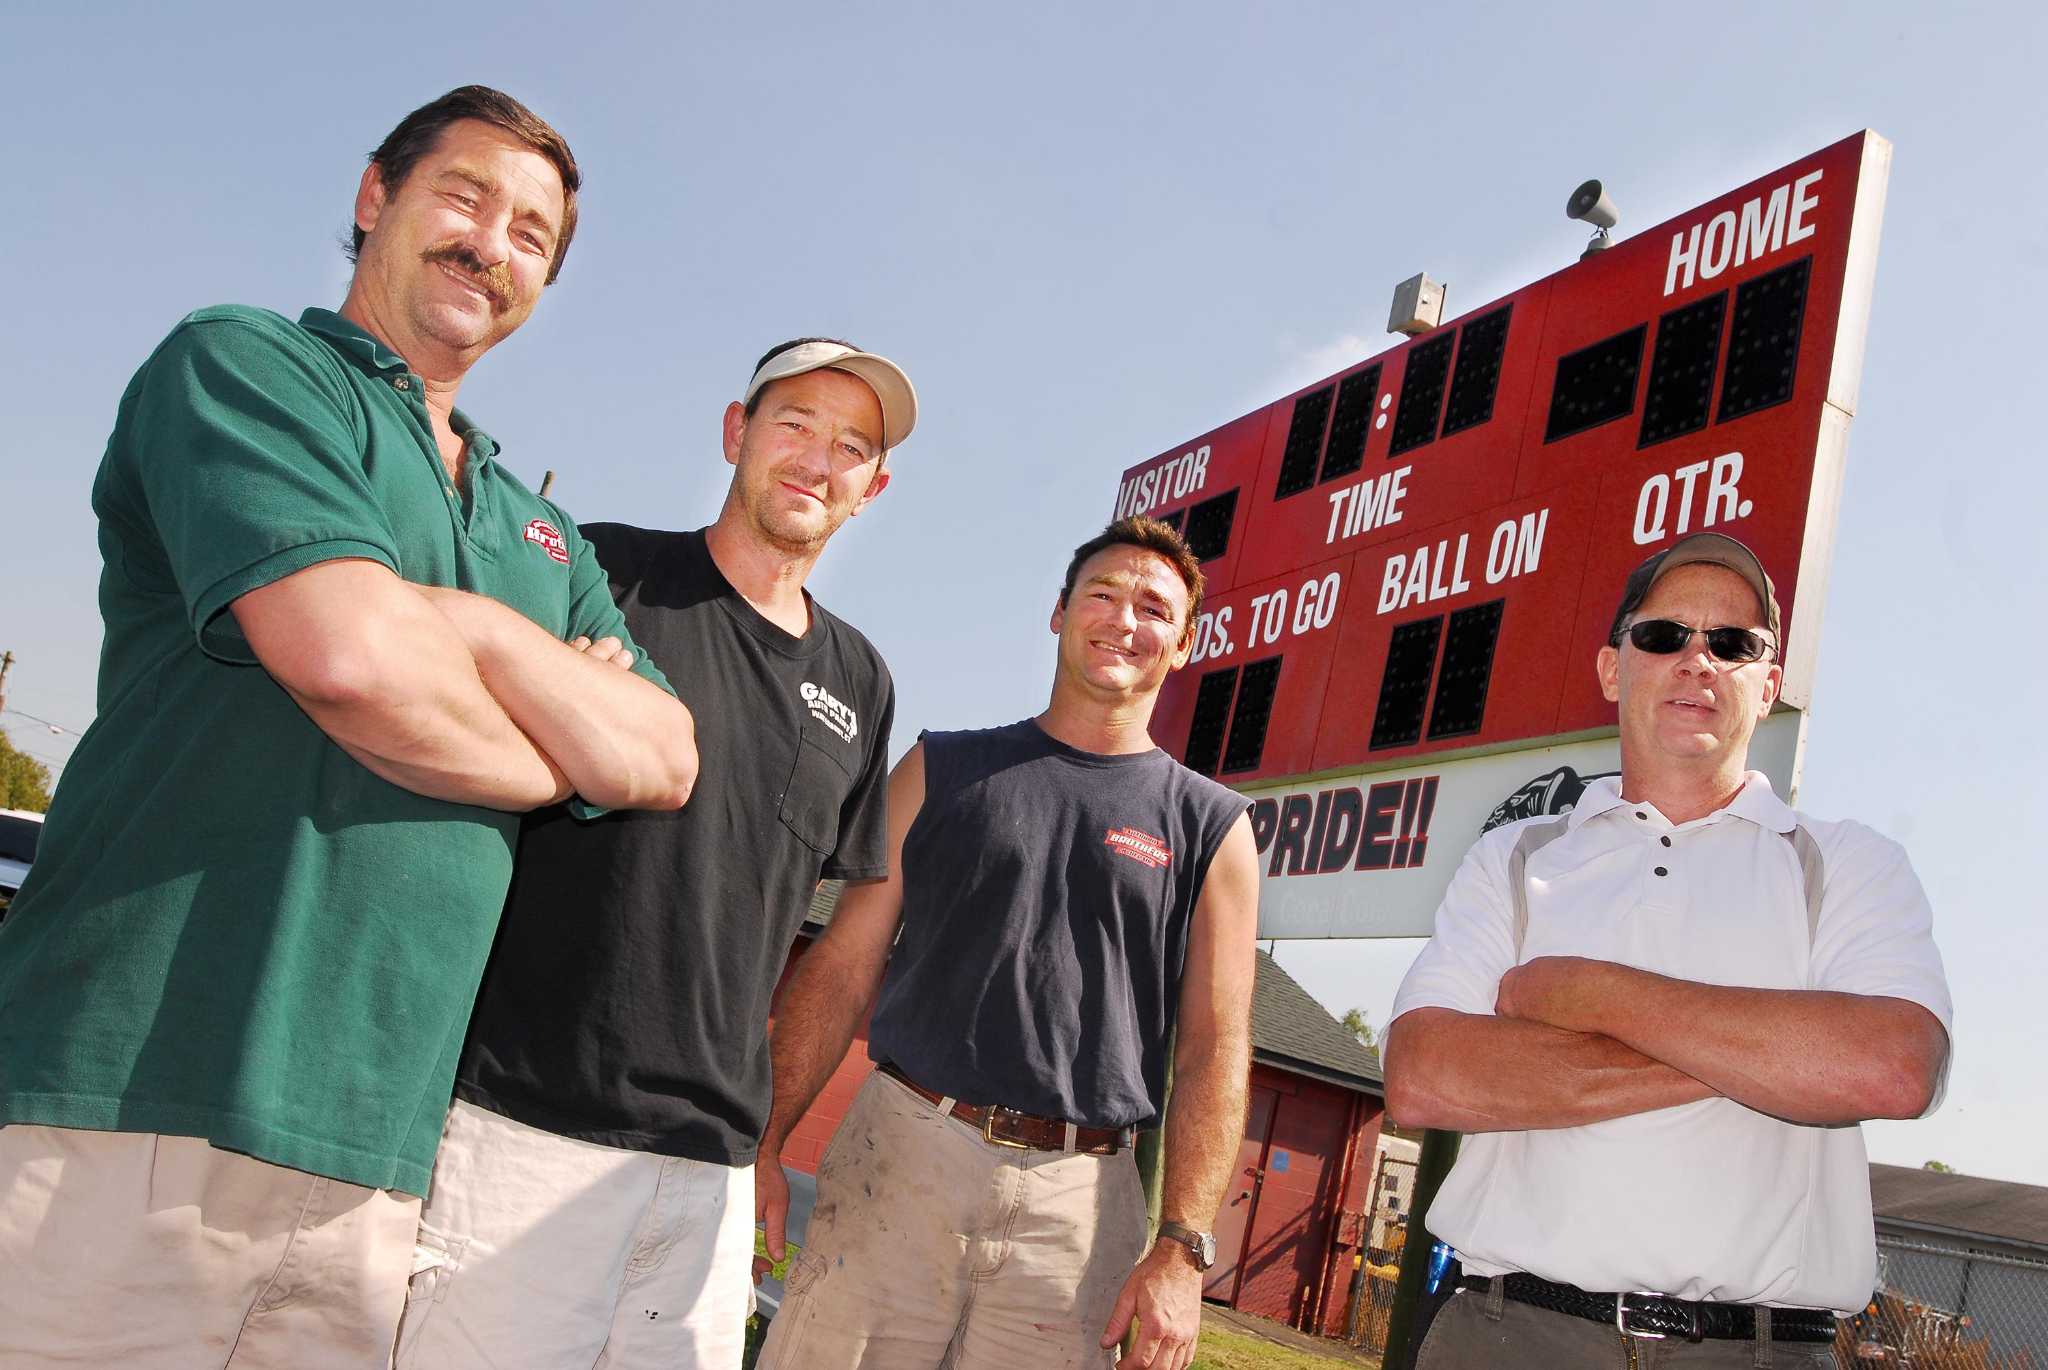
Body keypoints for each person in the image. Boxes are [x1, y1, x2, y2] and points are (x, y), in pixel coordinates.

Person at [0, 86, 699, 1368]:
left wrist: (481, 632)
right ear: (374, 196)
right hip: (143, 1101)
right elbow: (349, 658)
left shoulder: (538, 530)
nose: (494, 243)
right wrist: (555, 734)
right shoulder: (246, 364)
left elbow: (662, 757)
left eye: (534, 234)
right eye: (465, 197)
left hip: (375, 1163)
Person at [393, 337, 915, 1369]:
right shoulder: (602, 573)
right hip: (520, 1126)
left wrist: (765, 1135)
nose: (817, 459)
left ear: (871, 488)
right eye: (794, 424)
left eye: (850, 446)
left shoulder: (861, 680)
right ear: (736, 431)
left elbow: (819, 931)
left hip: (707, 1179)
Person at [1383, 531, 1953, 1369]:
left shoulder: (1849, 863)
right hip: (1509, 1334)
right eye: (1663, 636)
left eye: (1734, 644)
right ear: (1616, 666)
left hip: (1757, 1351)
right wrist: (1768, 1060)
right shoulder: (1515, 858)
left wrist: (1592, 994)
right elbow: (1425, 1076)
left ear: (1769, 686)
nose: (1699, 661)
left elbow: (1893, 1069)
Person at [752, 516, 1261, 1370]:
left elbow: (1216, 1047)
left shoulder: (1214, 828)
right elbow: (841, 964)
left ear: (1183, 645)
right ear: (1058, 613)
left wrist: (1182, 1246)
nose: (1124, 621)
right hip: (906, 1158)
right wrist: (765, 1144)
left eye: (1154, 609)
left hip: (1082, 1204)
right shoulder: (938, 770)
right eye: (1101, 594)